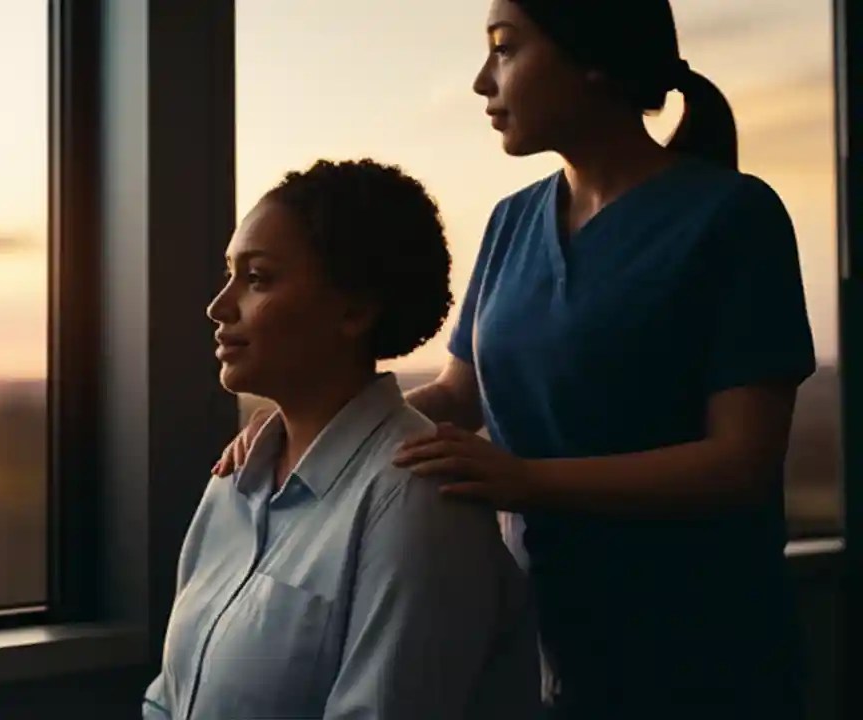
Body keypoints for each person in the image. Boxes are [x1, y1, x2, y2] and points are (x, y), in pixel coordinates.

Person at [216, 2, 817, 718]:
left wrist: (529, 480)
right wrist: (307, 431)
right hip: (546, 637)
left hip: (698, 652)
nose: (481, 81)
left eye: (505, 49)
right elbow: (458, 393)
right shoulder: (513, 222)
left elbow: (742, 462)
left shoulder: (733, 217)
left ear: (591, 58)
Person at [143, 159, 539, 719]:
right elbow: (169, 698)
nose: (218, 307)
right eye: (228, 275)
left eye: (256, 279)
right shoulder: (235, 480)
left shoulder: (418, 502)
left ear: (353, 310)